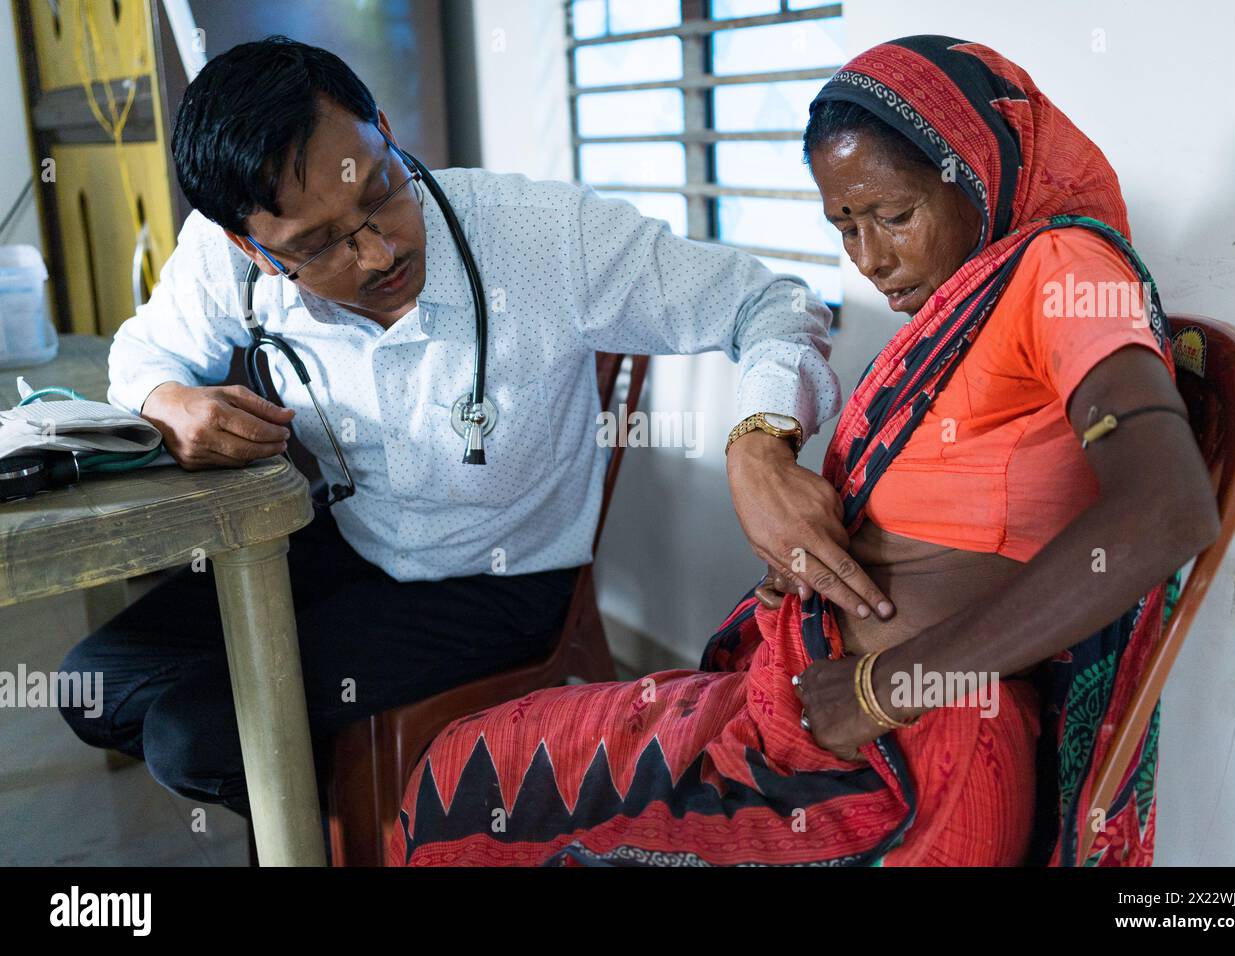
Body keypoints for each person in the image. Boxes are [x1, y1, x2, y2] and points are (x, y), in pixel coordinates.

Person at [389, 36, 1220, 867]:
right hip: (812, 707)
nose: (870, 260)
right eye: (845, 225)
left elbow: (1166, 509)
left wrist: (889, 686)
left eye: (895, 216)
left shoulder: (1060, 268)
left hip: (907, 756)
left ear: (977, 173)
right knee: (466, 770)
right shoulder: (973, 297)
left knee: (483, 802)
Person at [56, 35, 849, 829]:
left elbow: (771, 302)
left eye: (378, 193)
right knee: (95, 685)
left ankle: (361, 817)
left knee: (193, 734)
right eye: (319, 245)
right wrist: (168, 400)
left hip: (498, 578)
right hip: (349, 542)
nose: (377, 254)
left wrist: (759, 441)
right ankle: (363, 783)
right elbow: (143, 349)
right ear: (250, 246)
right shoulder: (220, 260)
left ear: (387, 132)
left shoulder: (540, 236)